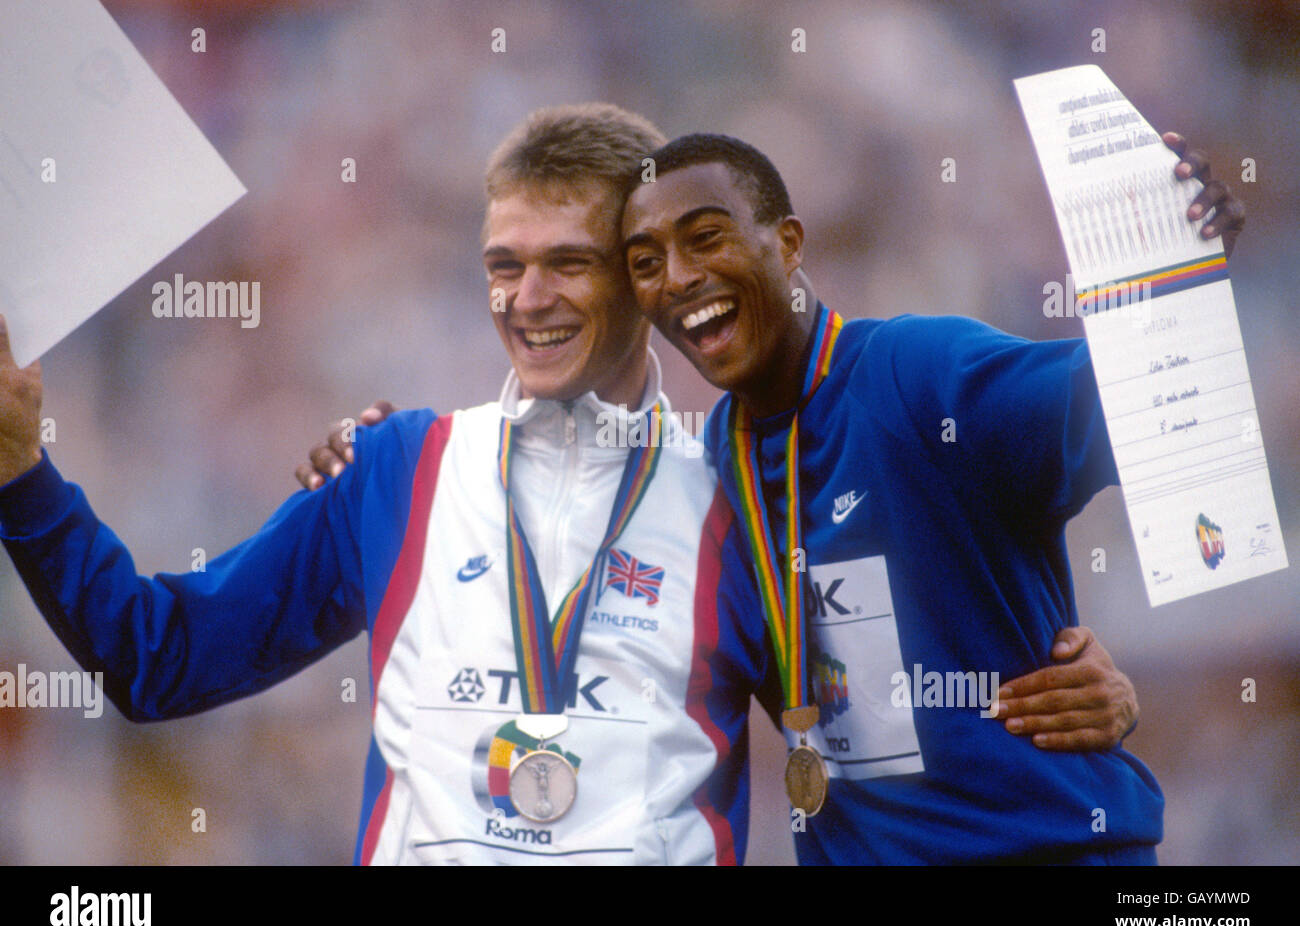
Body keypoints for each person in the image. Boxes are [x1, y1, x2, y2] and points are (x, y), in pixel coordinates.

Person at [1, 103, 1137, 867]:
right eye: (503, 264)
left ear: (644, 280)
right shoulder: (393, 468)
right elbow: (158, 655)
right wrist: (21, 470)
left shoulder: (738, 491)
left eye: (570, 263)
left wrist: (1080, 694)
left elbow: (888, 732)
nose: (526, 297)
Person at [616, 129, 1245, 863]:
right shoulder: (713, 467)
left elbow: (1119, 403)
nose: (679, 276)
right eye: (646, 263)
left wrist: (1177, 274)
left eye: (706, 238)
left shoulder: (917, 375)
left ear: (788, 244)